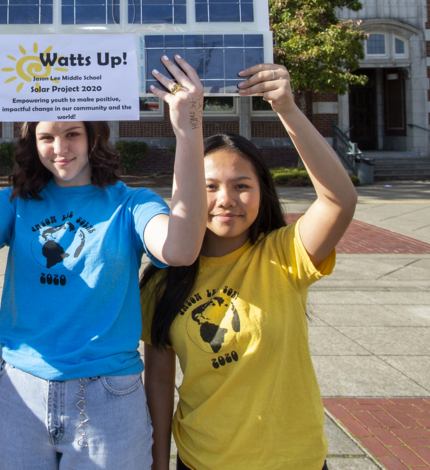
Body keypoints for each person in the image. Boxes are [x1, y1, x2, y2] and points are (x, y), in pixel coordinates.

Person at [0, 56, 210, 470]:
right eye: (47, 137)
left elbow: (181, 249)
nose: (60, 149)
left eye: (72, 134)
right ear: (32, 141)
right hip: (20, 393)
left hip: (109, 397)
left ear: (94, 136)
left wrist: (188, 132)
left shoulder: (132, 204)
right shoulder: (15, 203)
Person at [140, 64, 358, 470]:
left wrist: (287, 108)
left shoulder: (285, 255)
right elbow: (158, 382)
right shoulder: (160, 282)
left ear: (262, 192)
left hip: (296, 460)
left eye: (242, 185)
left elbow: (339, 201)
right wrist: (157, 462)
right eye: (209, 187)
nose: (227, 199)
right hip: (203, 460)